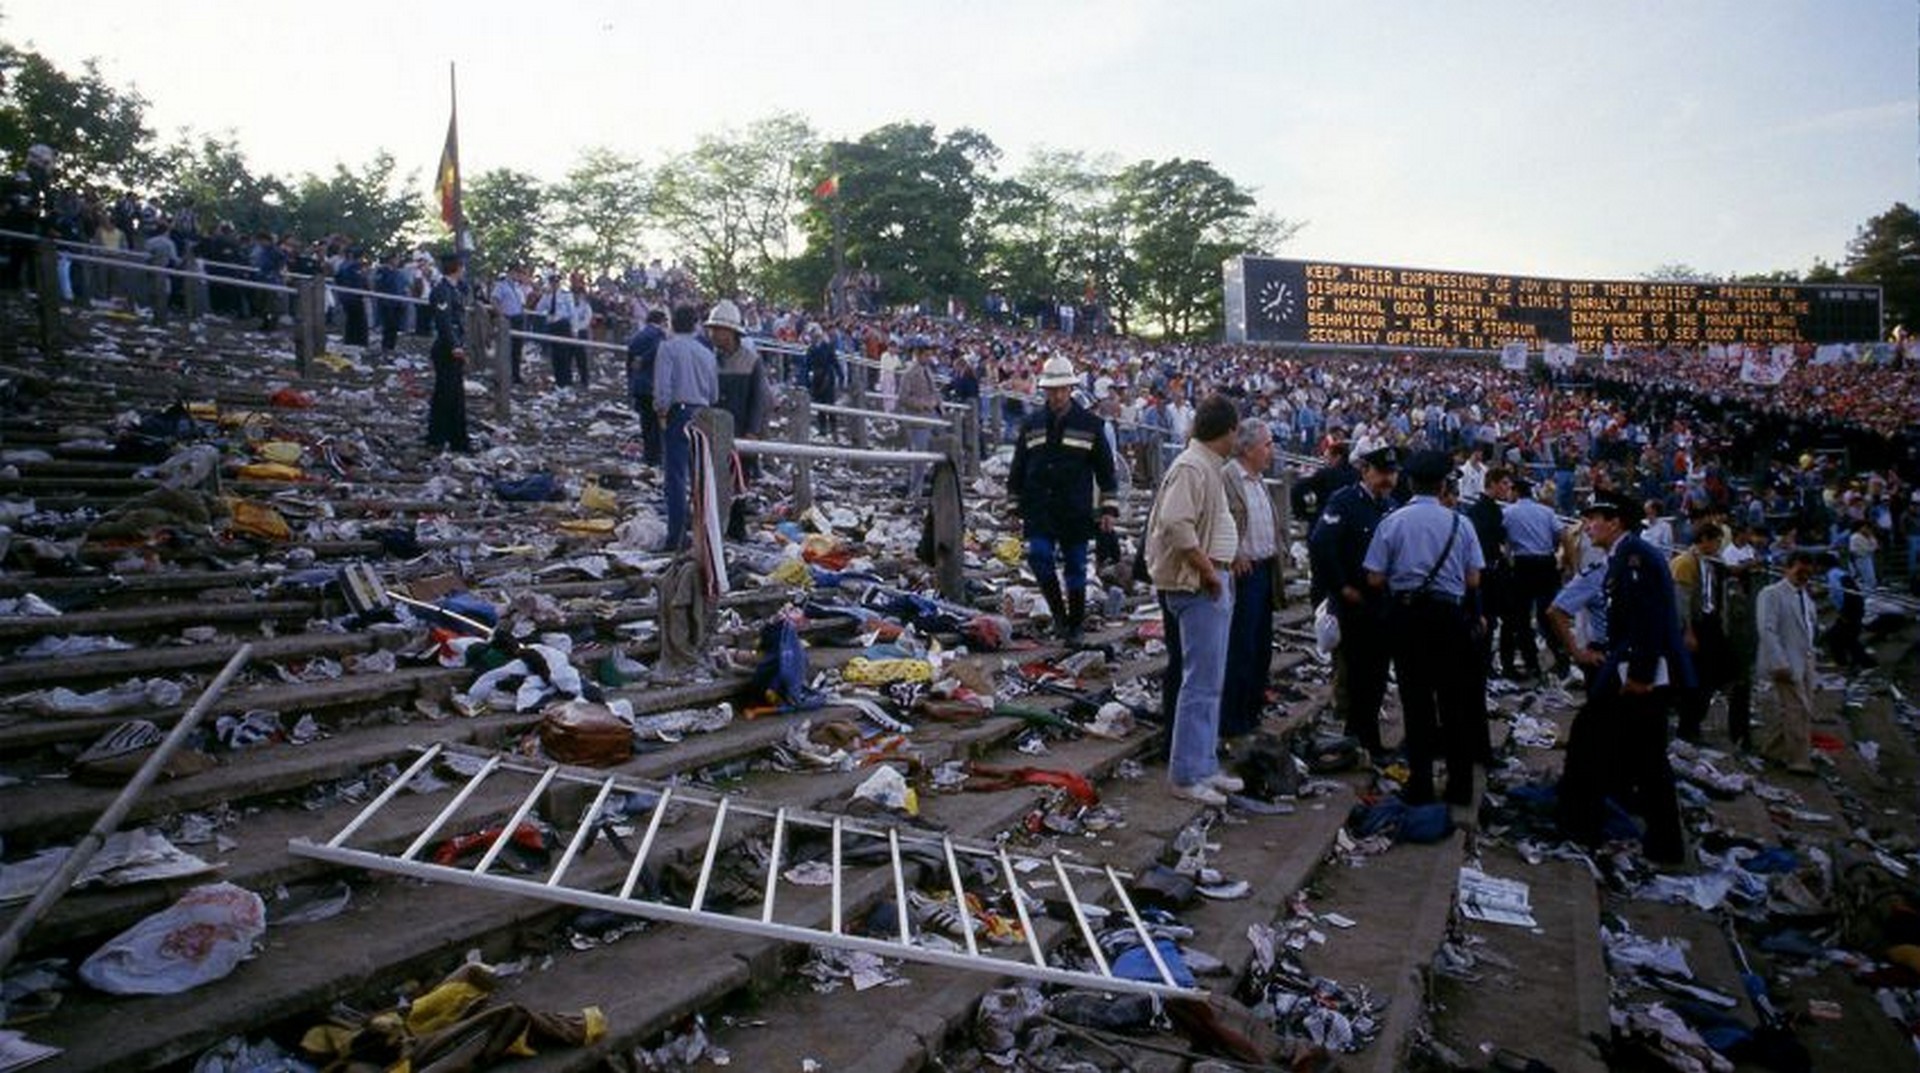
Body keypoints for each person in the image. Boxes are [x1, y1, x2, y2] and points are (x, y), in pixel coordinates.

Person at [1554, 491, 1692, 865]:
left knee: (1628, 752)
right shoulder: (1621, 556)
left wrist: (1641, 675)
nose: (1589, 525)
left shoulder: (1635, 558)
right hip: (1630, 667)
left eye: (1596, 517)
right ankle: (1611, 826)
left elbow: (1646, 620)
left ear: (1615, 522)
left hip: (1640, 673)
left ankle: (1646, 838)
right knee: (1631, 753)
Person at [1364, 450, 1486, 805]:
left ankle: (1419, 784)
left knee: (1416, 703)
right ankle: (1460, 786)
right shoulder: (1461, 523)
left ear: (1410, 482)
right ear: (1443, 484)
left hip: (1408, 617)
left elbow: (1373, 576)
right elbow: (1474, 577)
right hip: (1450, 617)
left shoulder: (1394, 521)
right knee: (1454, 702)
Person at [1145, 394, 1242, 807]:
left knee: (1210, 682)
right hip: (1196, 585)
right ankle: (1185, 774)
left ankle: (1202, 764)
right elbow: (1175, 524)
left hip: (1211, 580)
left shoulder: (1207, 465)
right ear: (1228, 431)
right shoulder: (1191, 466)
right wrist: (1206, 570)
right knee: (1199, 683)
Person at [1008, 354, 1119, 644]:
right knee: (1039, 558)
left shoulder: (1091, 424)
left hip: (1075, 509)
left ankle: (1075, 624)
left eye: (1061, 389)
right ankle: (1058, 615)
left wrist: (1108, 508)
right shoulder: (1031, 423)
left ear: (1070, 389)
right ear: (1044, 390)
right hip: (1039, 508)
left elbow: (1106, 470)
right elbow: (1019, 466)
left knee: (1076, 568)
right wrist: (1013, 504)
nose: (1056, 395)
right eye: (1051, 390)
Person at [1308, 446, 1400, 756]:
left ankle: (1365, 737)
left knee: (1376, 676)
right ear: (1365, 471)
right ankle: (1360, 736)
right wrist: (1341, 586)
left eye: (1392, 473)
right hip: (1356, 601)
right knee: (1359, 675)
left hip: (1383, 602)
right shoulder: (1345, 502)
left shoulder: (1391, 507)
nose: (1388, 479)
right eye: (1382, 473)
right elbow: (1321, 545)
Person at [1220, 418, 1283, 740]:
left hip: (1264, 570)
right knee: (1241, 648)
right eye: (1267, 444)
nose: (1271, 450)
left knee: (1260, 648)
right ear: (1248, 447)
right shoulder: (1228, 477)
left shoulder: (1258, 481)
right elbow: (1219, 520)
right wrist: (1233, 553)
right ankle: (1234, 717)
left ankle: (1252, 710)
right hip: (1242, 576)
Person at [653, 304, 719, 552]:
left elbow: (663, 388)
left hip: (678, 412)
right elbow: (714, 393)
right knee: (701, 475)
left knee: (676, 477)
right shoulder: (706, 353)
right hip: (702, 413)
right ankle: (703, 533)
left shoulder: (668, 348)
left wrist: (661, 411)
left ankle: (677, 535)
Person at [1756, 549, 1821, 773]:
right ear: (1788, 568)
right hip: (1785, 660)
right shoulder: (1771, 593)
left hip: (1806, 658)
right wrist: (1778, 662)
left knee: (1801, 708)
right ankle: (1799, 760)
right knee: (1797, 710)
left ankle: (1772, 750)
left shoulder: (1805, 596)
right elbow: (1767, 629)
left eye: (1808, 573)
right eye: (1800, 571)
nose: (1804, 576)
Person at [1500, 476, 1566, 681]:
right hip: (1546, 564)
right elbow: (1563, 535)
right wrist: (1568, 563)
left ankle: (1532, 664)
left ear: (1515, 492)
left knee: (1522, 618)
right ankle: (1561, 659)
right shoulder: (1546, 512)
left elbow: (1503, 540)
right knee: (1549, 615)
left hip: (1523, 566)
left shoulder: (1508, 512)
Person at [1669, 523, 1730, 745]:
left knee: (1708, 679)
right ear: (1704, 539)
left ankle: (1693, 724)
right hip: (1695, 626)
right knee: (1692, 681)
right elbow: (1682, 602)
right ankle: (1687, 728)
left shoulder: (1713, 563)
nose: (1717, 546)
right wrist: (1688, 632)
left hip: (1710, 624)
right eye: (1715, 541)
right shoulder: (1685, 563)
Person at [709, 299, 771, 471]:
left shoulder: (751, 360)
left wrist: (753, 430)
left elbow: (759, 399)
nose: (712, 334)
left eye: (717, 329)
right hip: (717, 430)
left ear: (730, 332)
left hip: (742, 430)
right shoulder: (710, 359)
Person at [424, 251, 472, 453]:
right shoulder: (443, 291)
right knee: (446, 395)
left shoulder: (454, 290)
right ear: (458, 268)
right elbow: (444, 323)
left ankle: (454, 438)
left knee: (453, 395)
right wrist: (455, 346)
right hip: (447, 349)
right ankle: (440, 437)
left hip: (453, 346)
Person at [896, 336, 942, 495]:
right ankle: (915, 492)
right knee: (919, 459)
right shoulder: (909, 373)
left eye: (930, 355)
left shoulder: (927, 370)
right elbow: (902, 397)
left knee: (944, 446)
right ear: (918, 354)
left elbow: (934, 391)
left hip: (933, 416)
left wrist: (936, 401)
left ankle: (934, 484)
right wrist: (922, 403)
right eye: (926, 355)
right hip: (918, 419)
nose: (929, 358)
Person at [626, 309, 667, 465]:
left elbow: (629, 362)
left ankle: (648, 457)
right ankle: (654, 458)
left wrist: (631, 383)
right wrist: (644, 359)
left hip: (639, 386)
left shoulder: (638, 336)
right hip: (653, 386)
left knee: (645, 423)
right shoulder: (658, 336)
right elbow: (659, 351)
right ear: (662, 321)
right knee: (656, 427)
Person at [491, 265, 528, 384]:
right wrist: (501, 315)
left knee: (517, 348)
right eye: (517, 273)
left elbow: (522, 302)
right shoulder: (501, 285)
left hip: (518, 318)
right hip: (508, 318)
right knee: (506, 348)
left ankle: (516, 375)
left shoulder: (518, 286)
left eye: (519, 273)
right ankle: (504, 374)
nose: (518, 275)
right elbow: (494, 300)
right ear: (511, 272)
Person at [805, 325, 842, 440]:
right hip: (816, 378)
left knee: (830, 403)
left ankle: (833, 429)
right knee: (820, 403)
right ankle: (822, 429)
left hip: (827, 376)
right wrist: (807, 379)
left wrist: (840, 375)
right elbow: (808, 365)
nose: (814, 337)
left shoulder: (827, 346)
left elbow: (834, 361)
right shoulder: (811, 349)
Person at [334, 248, 370, 347]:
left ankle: (349, 342)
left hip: (345, 296)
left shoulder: (342, 265)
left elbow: (337, 278)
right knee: (360, 321)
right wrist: (367, 289)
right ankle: (360, 343)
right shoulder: (356, 266)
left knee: (351, 321)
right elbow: (361, 280)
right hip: (354, 296)